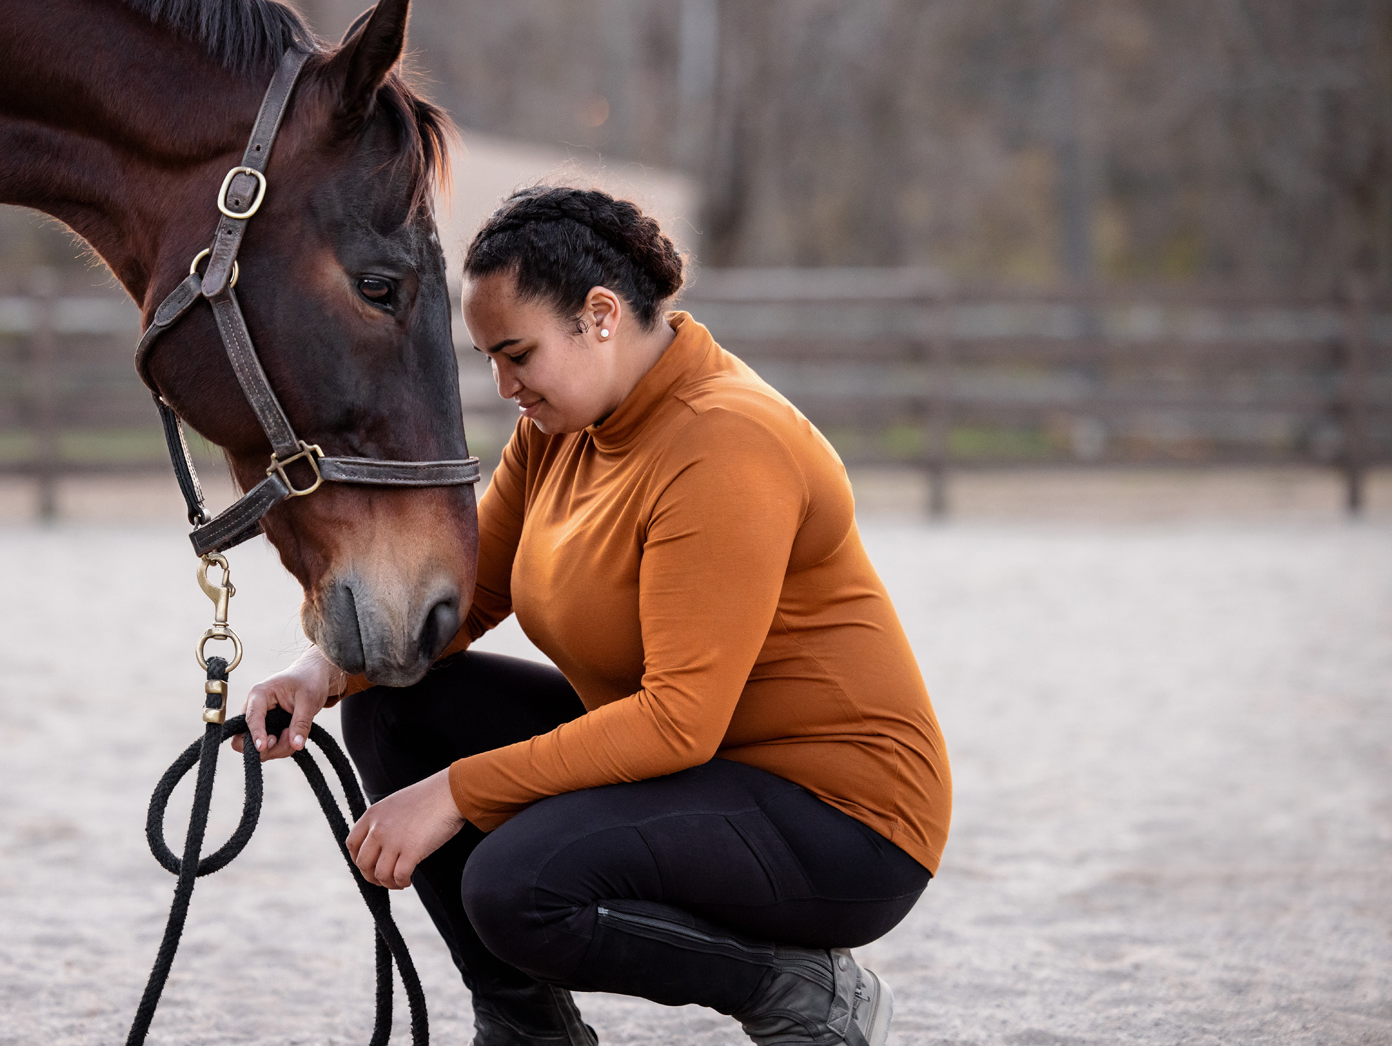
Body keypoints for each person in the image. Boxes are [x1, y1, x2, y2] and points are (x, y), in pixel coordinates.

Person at [238, 187, 951, 1046]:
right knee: (396, 703)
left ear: (600, 316)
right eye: (489, 357)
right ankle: (527, 1024)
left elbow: (679, 721)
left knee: (515, 885)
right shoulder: (566, 424)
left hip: (839, 817)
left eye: (518, 353)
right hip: (698, 765)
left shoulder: (724, 444)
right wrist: (321, 672)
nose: (503, 386)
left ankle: (802, 989)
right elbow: (473, 591)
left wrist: (457, 794)